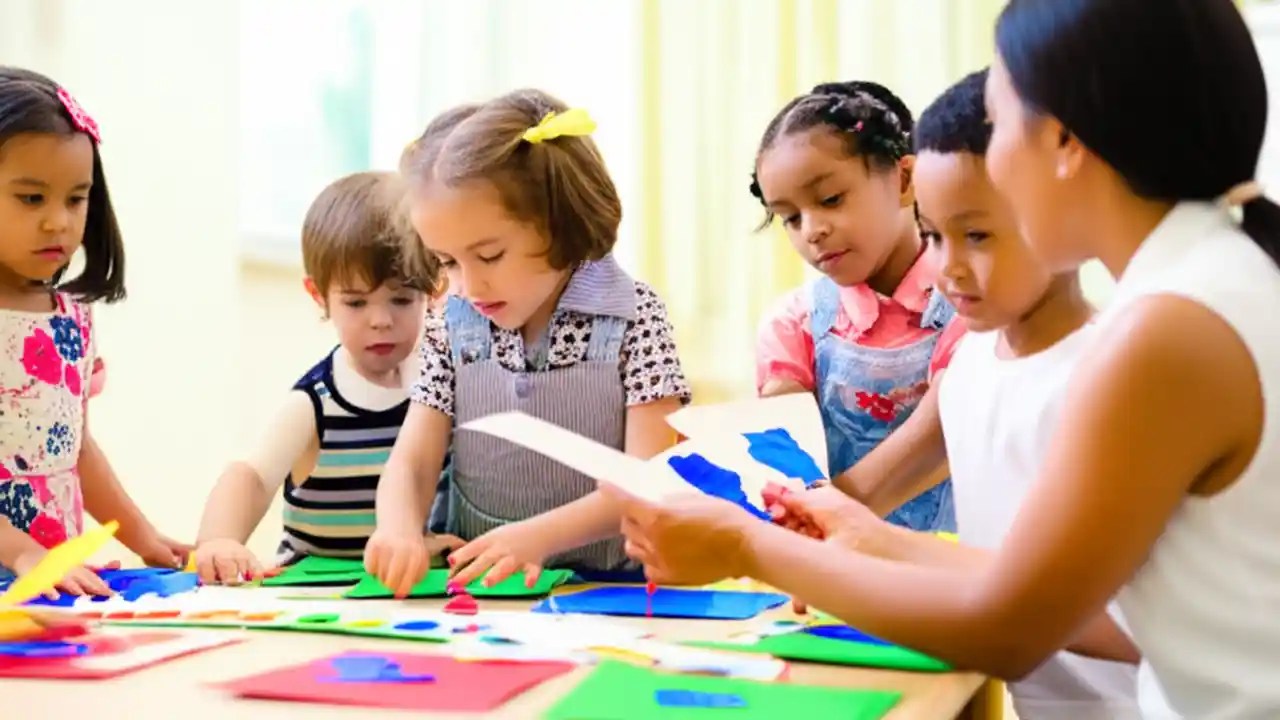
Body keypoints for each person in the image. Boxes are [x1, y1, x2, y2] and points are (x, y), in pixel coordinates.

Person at [609, 1, 1280, 716]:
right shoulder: (1212, 281)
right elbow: (1034, 588)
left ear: (1062, 140)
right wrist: (864, 535)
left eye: (998, 125)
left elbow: (1010, 626)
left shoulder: (1168, 330)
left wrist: (746, 546)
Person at [805, 68, 1139, 719]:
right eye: (931, 235)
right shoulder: (969, 367)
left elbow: (1134, 626)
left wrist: (889, 556)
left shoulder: (1115, 371)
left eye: (977, 235)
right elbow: (865, 491)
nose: (947, 267)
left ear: (1058, 207)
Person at [366, 90, 691, 597]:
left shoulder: (635, 314)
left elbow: (646, 479)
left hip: (606, 591)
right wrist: (398, 527)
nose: (467, 287)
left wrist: (535, 539)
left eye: (490, 255)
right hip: (481, 595)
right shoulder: (450, 322)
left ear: (559, 223)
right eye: (447, 262)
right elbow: (412, 462)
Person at [192, 172, 438, 584]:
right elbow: (251, 477)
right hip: (313, 593)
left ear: (431, 291)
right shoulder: (316, 401)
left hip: (407, 594)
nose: (382, 320)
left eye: (402, 298)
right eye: (357, 302)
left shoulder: (432, 390)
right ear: (318, 295)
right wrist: (218, 539)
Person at [0, 68, 188, 595]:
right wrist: (23, 554)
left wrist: (147, 541)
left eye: (75, 199)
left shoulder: (71, 319)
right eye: (32, 198)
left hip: (57, 581)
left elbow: (75, 450)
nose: (58, 221)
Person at [752, 80, 956, 532]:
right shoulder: (794, 325)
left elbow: (943, 437)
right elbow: (783, 459)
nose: (812, 230)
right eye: (790, 217)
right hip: (838, 575)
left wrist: (815, 519)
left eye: (829, 200)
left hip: (966, 575)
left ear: (905, 180)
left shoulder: (972, 301)